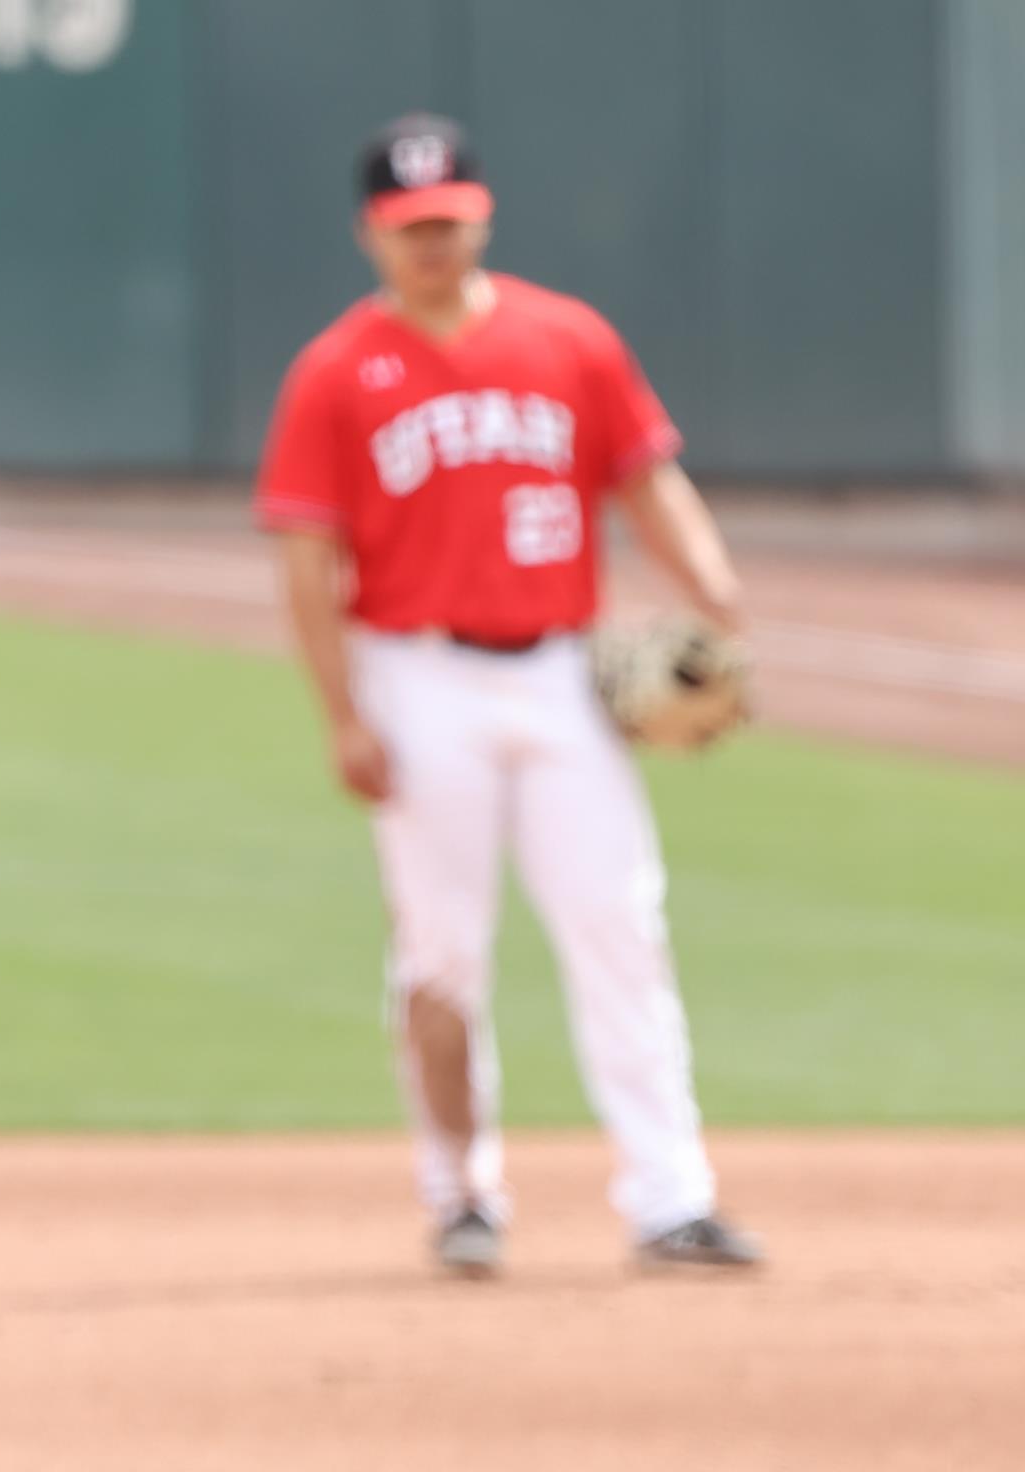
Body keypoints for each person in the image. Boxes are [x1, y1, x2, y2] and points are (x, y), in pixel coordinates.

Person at [257, 113, 764, 1277]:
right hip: (413, 673)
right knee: (438, 953)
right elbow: (302, 564)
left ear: (479, 215)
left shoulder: (568, 340)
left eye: (444, 222)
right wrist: (340, 712)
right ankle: (460, 1195)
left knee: (619, 925)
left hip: (562, 675)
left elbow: (647, 482)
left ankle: (668, 1198)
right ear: (369, 236)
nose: (429, 244)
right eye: (406, 228)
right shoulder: (335, 372)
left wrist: (716, 595)